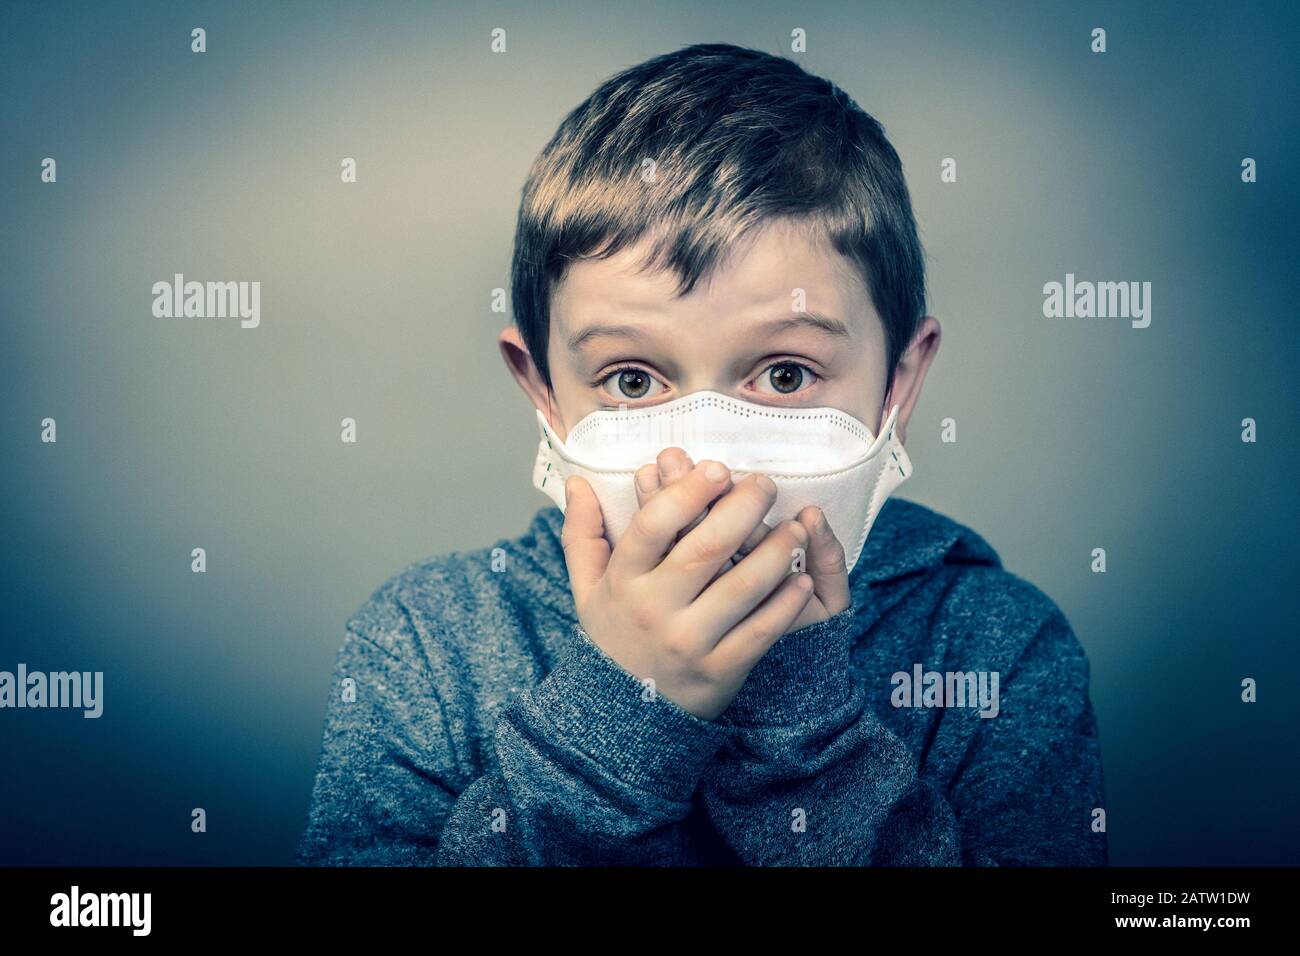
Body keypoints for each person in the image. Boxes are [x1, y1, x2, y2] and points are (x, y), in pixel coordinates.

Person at [296, 42, 1107, 866]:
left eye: (785, 374)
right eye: (634, 380)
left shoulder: (995, 649)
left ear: (901, 384)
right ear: (540, 388)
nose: (707, 460)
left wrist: (800, 718)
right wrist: (618, 710)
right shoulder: (426, 644)